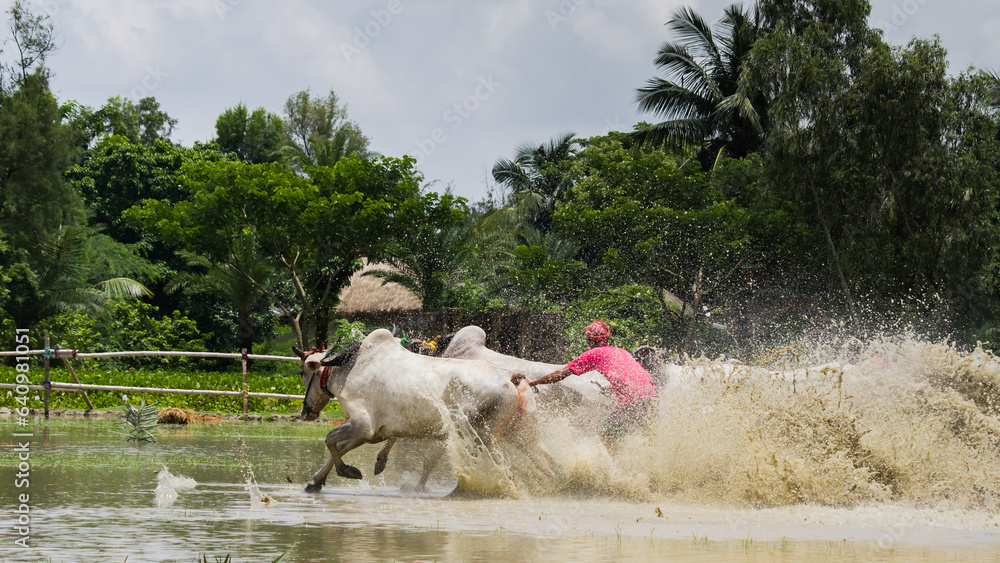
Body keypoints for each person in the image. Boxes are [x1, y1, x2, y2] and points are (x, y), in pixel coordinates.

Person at [529, 319, 658, 449]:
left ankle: (610, 468)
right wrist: (613, 388)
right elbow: (633, 377)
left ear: (590, 339)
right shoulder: (621, 351)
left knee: (605, 439)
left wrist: (533, 382)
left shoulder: (594, 353)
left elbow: (559, 374)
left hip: (631, 402)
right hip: (651, 398)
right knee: (636, 438)